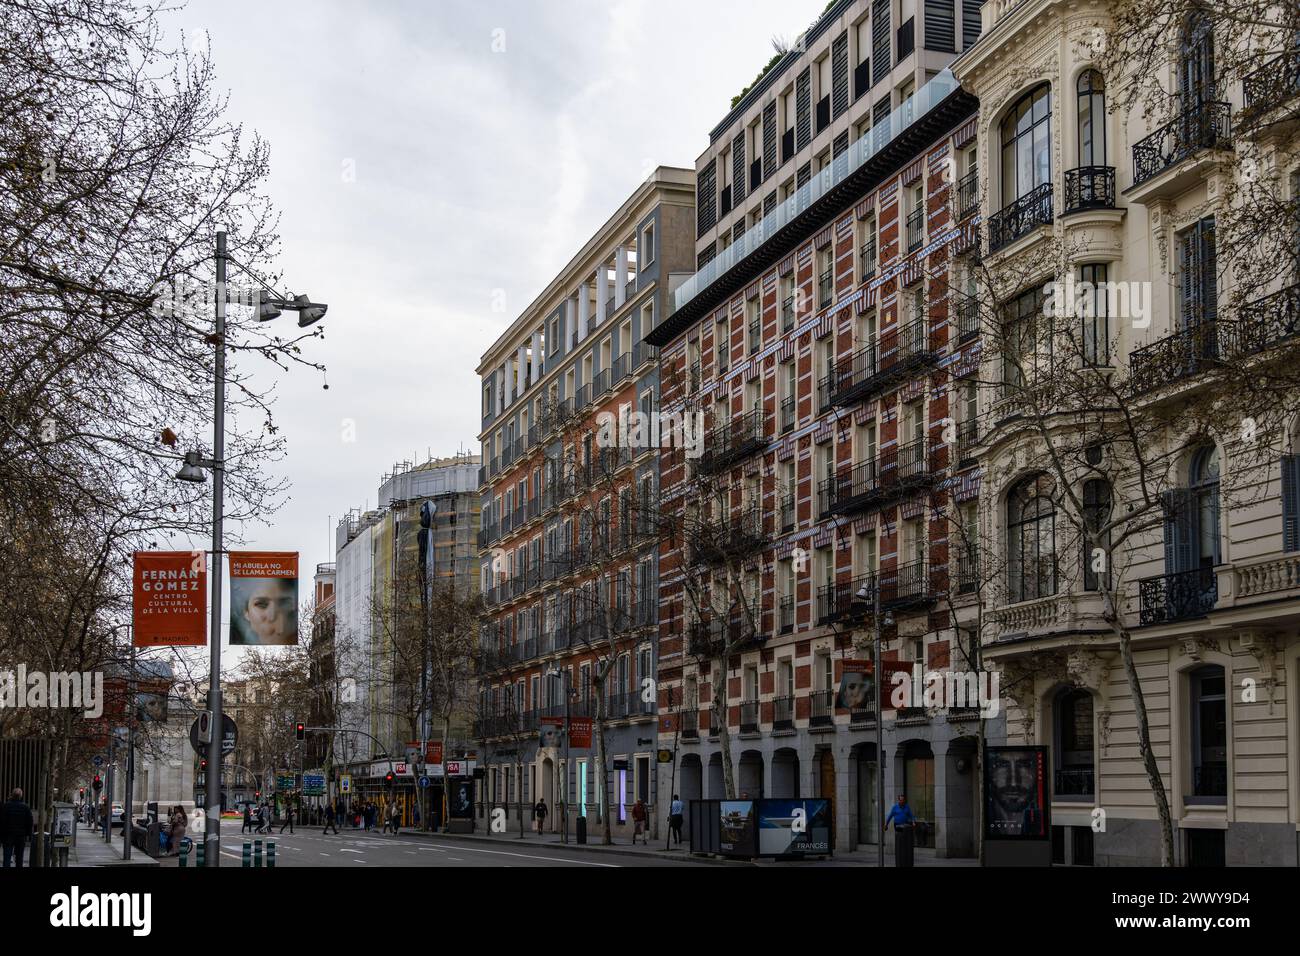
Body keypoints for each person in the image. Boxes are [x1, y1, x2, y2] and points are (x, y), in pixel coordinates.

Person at [2, 788, 35, 868]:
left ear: (12, 795)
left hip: (8, 836)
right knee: (19, 858)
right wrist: (28, 834)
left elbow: (2, 821)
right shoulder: (25, 807)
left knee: (7, 858)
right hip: (20, 836)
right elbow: (30, 822)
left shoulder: (6, 806)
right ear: (21, 796)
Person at [883, 794, 916, 868]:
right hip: (897, 826)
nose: (902, 801)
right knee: (900, 839)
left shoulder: (907, 806)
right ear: (899, 800)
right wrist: (886, 824)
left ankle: (905, 853)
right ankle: (900, 853)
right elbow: (890, 816)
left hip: (905, 826)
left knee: (905, 841)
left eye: (903, 800)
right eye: (901, 800)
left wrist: (913, 822)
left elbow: (911, 815)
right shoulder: (895, 807)